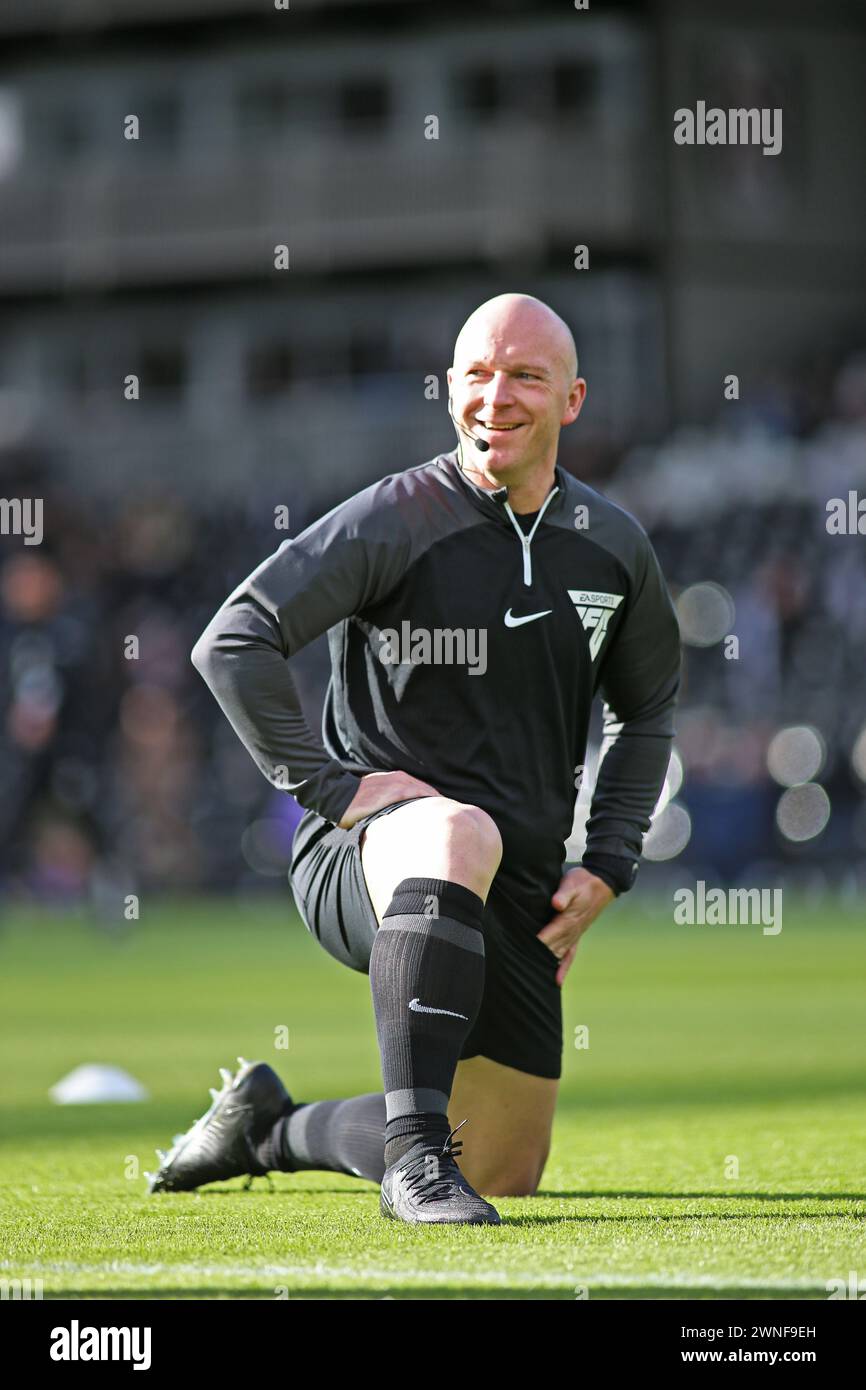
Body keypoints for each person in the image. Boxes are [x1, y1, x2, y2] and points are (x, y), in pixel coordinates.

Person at [147, 293, 681, 1225]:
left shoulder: (614, 547)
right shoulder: (395, 517)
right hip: (365, 859)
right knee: (456, 829)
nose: (497, 397)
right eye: (476, 374)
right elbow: (234, 640)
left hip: (514, 889)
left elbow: (647, 711)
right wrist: (331, 787)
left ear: (574, 399)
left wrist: (608, 862)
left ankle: (268, 1129)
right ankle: (415, 1173)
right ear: (448, 393)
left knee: (505, 1164)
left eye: (525, 376)